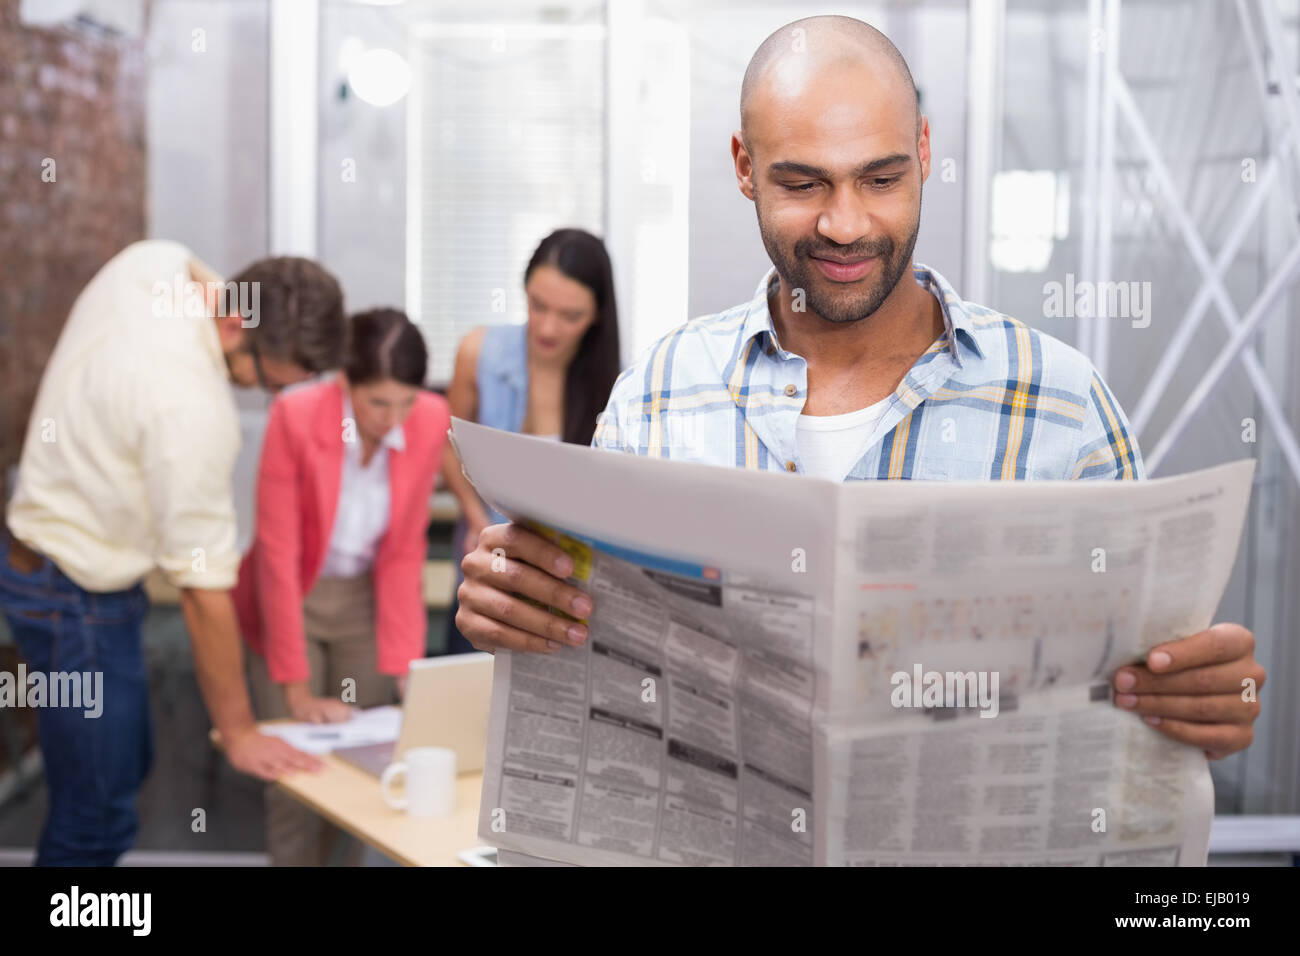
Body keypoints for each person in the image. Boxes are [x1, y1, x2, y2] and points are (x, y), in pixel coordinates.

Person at [454, 16, 1266, 760]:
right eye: (803, 184)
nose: (845, 225)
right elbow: (595, 668)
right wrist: (516, 607)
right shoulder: (658, 396)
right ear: (744, 167)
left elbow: (1149, 686)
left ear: (922, 150)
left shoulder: (1063, 404)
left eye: (880, 179)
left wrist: (1198, 703)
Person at [0, 239, 344, 865]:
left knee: (122, 769)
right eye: (266, 381)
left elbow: (191, 271)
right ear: (237, 324)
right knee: (95, 812)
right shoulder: (191, 411)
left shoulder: (152, 264)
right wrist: (239, 733)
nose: (262, 395)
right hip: (71, 596)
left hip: (54, 567)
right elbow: (203, 595)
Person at [233, 308, 450, 865]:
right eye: (378, 402)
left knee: (359, 774)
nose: (392, 419)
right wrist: (299, 691)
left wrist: (405, 669)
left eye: (406, 402)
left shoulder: (429, 420)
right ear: (345, 382)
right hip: (292, 597)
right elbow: (277, 559)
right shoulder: (296, 415)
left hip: (365, 602)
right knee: (296, 780)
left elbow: (405, 553)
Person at [439, 228, 620, 653]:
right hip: (489, 571)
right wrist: (475, 517)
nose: (548, 327)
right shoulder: (478, 352)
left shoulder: (619, 383)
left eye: (570, 315)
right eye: (538, 306)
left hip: (570, 585)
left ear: (596, 315)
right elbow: (449, 449)